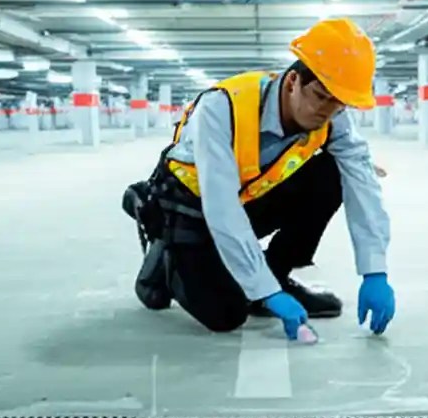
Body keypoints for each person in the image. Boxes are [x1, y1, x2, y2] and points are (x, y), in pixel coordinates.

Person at [122, 18, 396, 342]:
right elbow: (221, 206)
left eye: (340, 103)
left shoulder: (334, 115)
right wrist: (263, 291)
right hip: (192, 208)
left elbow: (362, 180)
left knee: (333, 173)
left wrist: (374, 270)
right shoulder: (221, 108)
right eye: (321, 97)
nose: (328, 111)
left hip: (247, 198)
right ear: (293, 80)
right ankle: (163, 254)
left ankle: (278, 276)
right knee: (226, 315)